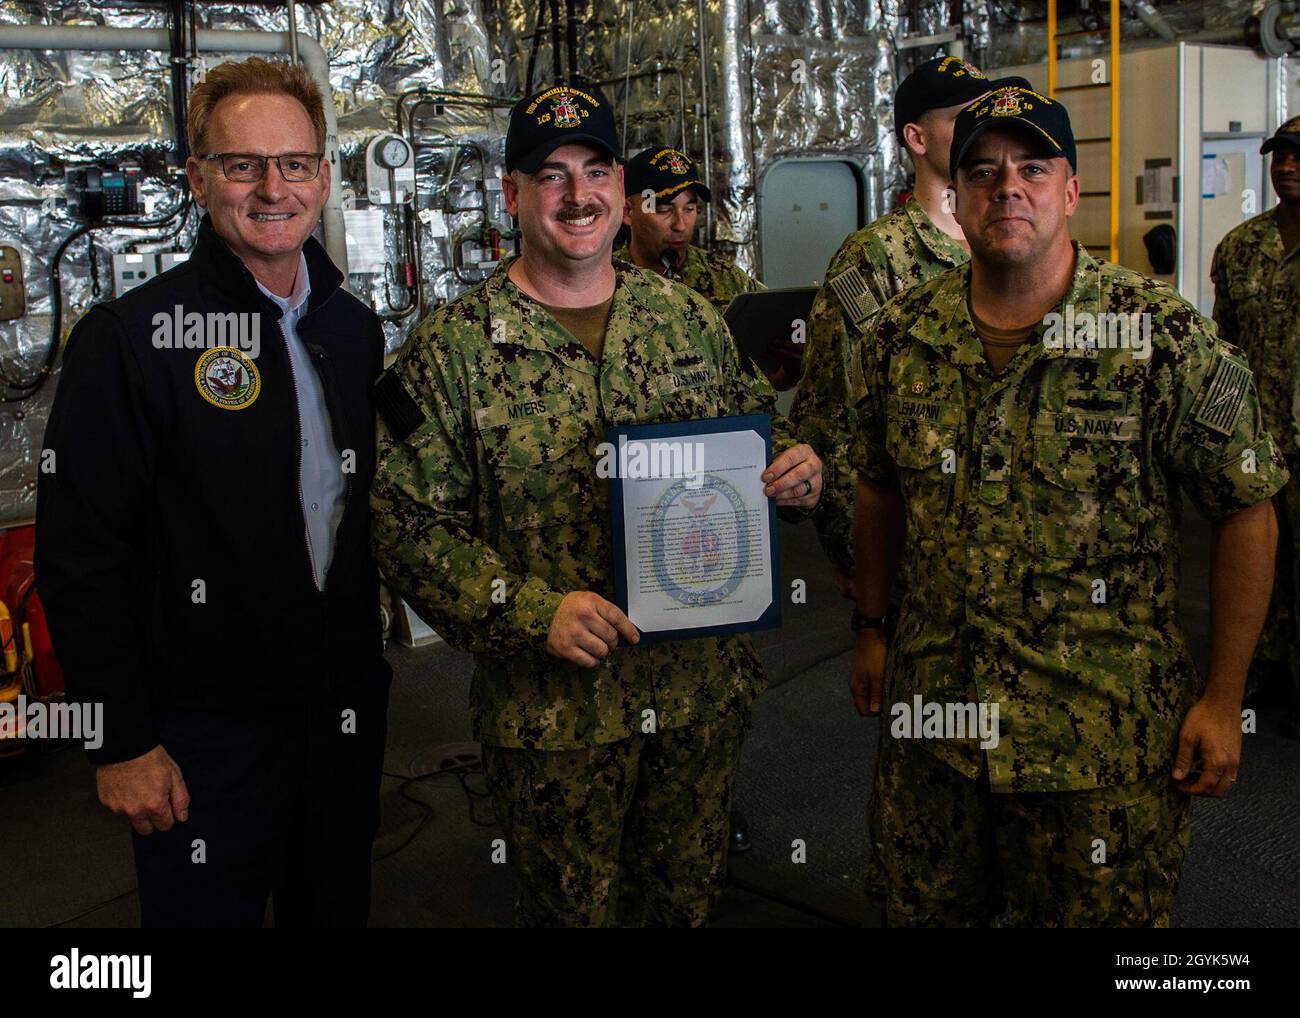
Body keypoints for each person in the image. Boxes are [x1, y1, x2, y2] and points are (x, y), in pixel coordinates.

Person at [370, 82, 822, 927]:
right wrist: (527, 610)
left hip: (697, 699)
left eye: (596, 171)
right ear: (511, 194)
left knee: (685, 906)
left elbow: (748, 455)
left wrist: (794, 482)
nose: (577, 196)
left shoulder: (688, 320)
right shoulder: (453, 347)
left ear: (621, 189)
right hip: (554, 718)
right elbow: (406, 528)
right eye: (551, 175)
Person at [849, 85, 1285, 926]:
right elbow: (877, 484)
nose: (1007, 188)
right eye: (982, 172)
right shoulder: (903, 337)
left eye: (1033, 168)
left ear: (1071, 192)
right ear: (955, 194)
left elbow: (1247, 508)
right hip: (934, 732)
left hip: (1099, 748)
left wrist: (1224, 699)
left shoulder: (1159, 335)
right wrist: (871, 627)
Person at [35, 57, 391, 927]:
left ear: (324, 176)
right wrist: (119, 740)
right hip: (201, 736)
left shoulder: (351, 328)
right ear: (199, 179)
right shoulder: (132, 339)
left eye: (294, 163)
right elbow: (81, 558)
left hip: (338, 710)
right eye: (243, 165)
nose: (273, 188)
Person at [790, 57, 1025, 594]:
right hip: (919, 568)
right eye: (964, 117)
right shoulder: (876, 259)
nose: (981, 129)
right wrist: (866, 560)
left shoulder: (1012, 245)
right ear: (917, 138)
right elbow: (832, 421)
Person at [1210, 115, 1300, 738]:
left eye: (1299, 157)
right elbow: (1224, 345)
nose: (1287, 166)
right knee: (1262, 551)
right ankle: (1264, 664)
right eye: (1280, 157)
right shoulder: (1241, 247)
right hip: (1262, 435)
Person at [614, 145, 762, 315]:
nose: (680, 226)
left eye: (689, 209)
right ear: (627, 212)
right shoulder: (606, 282)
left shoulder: (727, 280)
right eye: (663, 210)